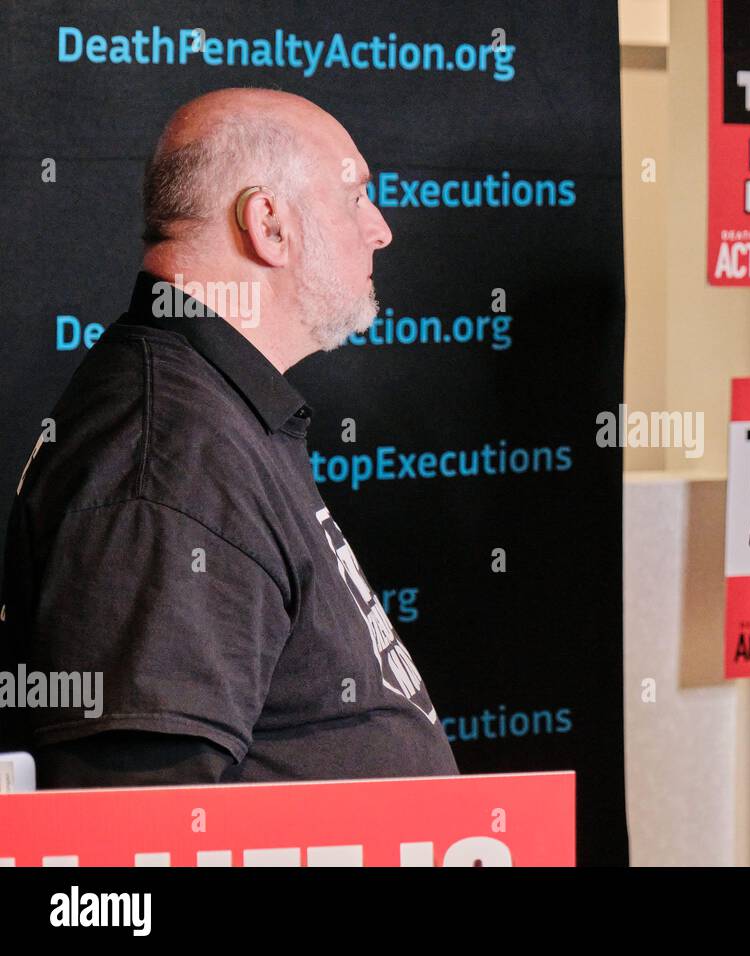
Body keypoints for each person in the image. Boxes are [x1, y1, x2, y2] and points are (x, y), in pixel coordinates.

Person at [0, 88, 458, 786]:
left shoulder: (211, 411)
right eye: (356, 197)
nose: (380, 229)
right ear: (268, 225)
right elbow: (143, 816)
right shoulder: (172, 456)